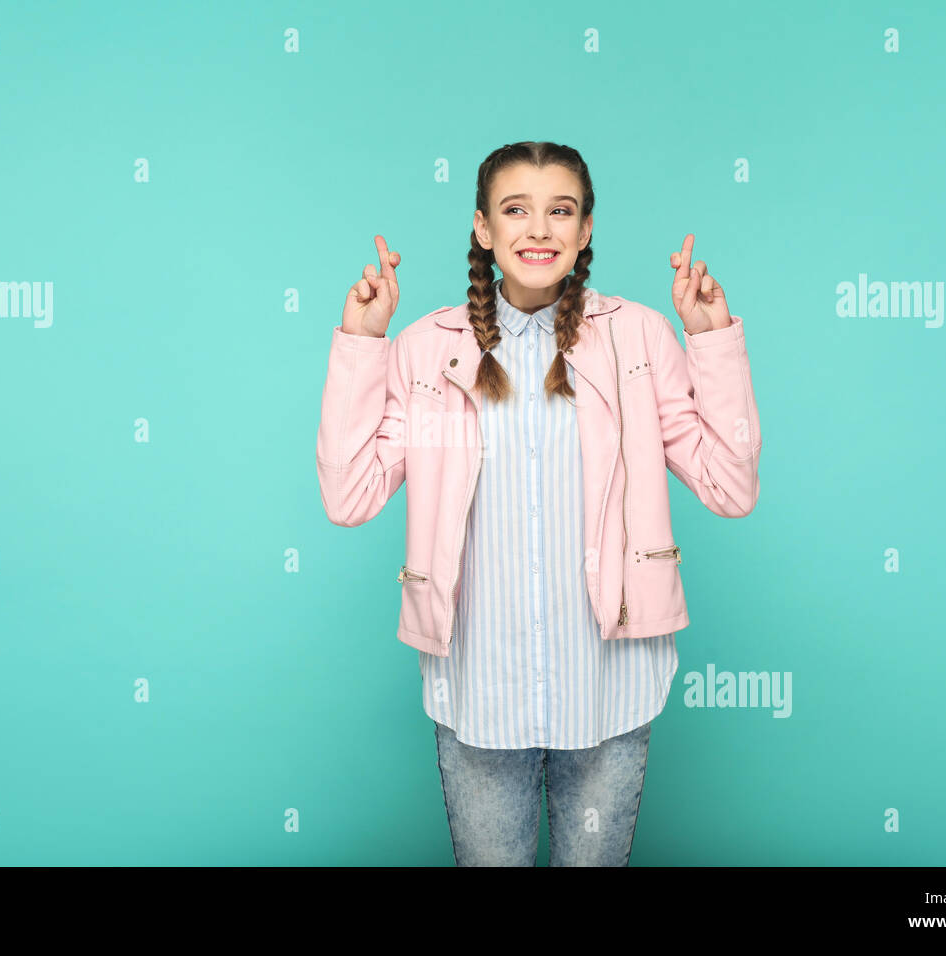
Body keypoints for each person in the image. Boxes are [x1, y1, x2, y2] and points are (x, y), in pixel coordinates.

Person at [316, 141, 762, 865]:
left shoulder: (638, 337)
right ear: (483, 228)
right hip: (477, 690)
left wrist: (711, 339)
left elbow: (730, 485)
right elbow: (349, 492)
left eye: (561, 210)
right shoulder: (428, 347)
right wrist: (363, 344)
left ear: (586, 230)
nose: (539, 229)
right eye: (515, 209)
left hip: (610, 685)